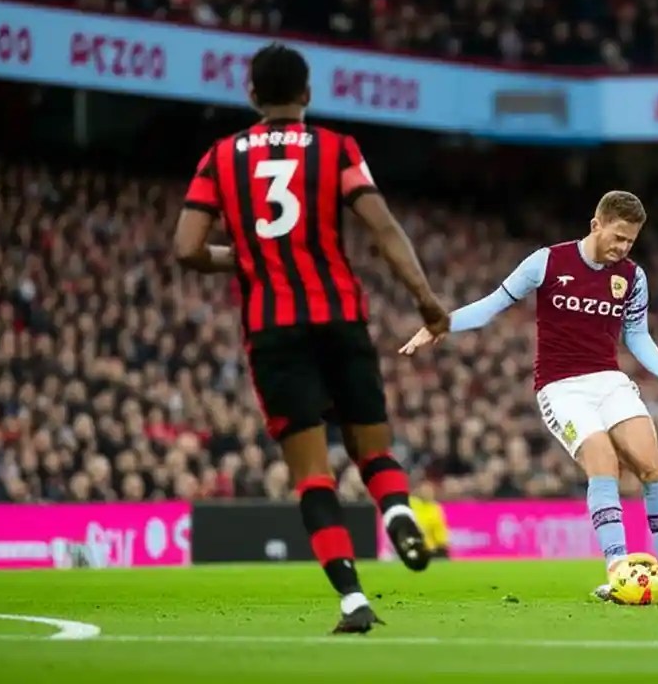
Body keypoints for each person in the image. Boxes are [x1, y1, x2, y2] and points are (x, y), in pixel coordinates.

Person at [172, 43, 450, 633]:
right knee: (372, 450)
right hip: (340, 317)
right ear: (307, 94)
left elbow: (187, 248)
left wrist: (245, 257)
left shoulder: (219, 158)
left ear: (250, 94)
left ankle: (352, 600)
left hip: (273, 330)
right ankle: (398, 510)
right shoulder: (335, 148)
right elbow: (382, 226)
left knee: (313, 475)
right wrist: (425, 300)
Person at [399, 191, 658, 607]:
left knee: (650, 464)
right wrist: (440, 324)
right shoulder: (547, 262)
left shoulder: (633, 277)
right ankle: (619, 571)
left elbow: (636, 335)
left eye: (630, 242)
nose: (622, 248)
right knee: (602, 461)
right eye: (617, 237)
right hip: (561, 387)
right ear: (596, 225)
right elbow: (492, 306)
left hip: (609, 381)